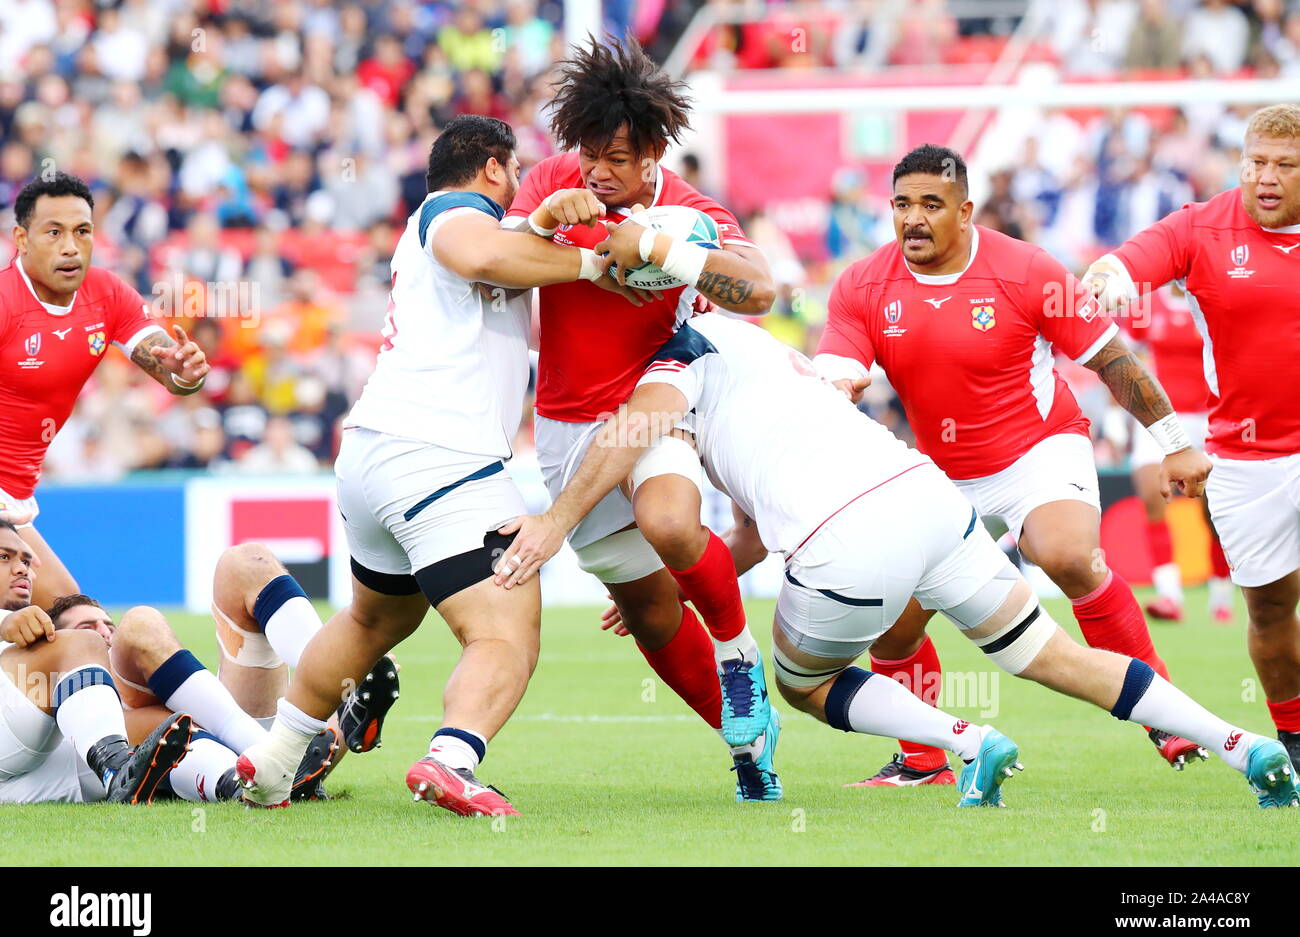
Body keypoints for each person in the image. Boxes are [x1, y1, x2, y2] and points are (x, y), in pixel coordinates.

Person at [494, 313, 1300, 809]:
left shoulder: (678, 357)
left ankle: (966, 741)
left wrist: (554, 522)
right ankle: (1242, 745)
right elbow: (743, 528)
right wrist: (679, 577)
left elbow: (627, 434)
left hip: (847, 537)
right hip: (927, 496)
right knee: (1053, 656)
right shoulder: (769, 351)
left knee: (802, 684)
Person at [237, 115, 619, 816]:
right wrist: (597, 263)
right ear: (493, 167)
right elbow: (482, 258)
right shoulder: (454, 209)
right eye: (514, 170)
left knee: (371, 624)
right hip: (440, 455)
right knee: (504, 631)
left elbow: (507, 257)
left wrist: (555, 234)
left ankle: (273, 761)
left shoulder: (479, 230)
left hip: (375, 455)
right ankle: (453, 758)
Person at [812, 144, 1213, 786]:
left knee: (1067, 556)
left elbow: (1111, 360)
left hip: (1038, 450)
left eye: (931, 205)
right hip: (941, 476)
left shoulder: (1027, 270)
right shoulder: (862, 283)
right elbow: (835, 369)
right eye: (902, 205)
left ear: (965, 211)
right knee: (892, 625)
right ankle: (922, 763)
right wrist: (831, 386)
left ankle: (1164, 713)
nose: (913, 219)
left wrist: (1174, 440)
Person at [501, 36, 783, 800]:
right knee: (654, 615)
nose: (597, 171)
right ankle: (746, 750)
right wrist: (541, 225)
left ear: (656, 151)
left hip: (655, 400)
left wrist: (659, 247)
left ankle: (738, 661)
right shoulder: (555, 183)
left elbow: (761, 292)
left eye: (617, 158)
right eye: (588, 153)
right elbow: (492, 262)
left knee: (669, 522)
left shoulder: (691, 213)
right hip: (564, 425)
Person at [1083, 103, 1300, 766]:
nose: (1266, 176)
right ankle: (1293, 741)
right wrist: (1107, 280)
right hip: (1247, 456)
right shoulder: (1206, 227)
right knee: (1268, 611)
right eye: (1255, 161)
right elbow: (1128, 263)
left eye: (1285, 165)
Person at [0, 537, 397, 804]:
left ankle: (343, 684)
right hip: (257, 760)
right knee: (139, 624)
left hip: (265, 737)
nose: (104, 635)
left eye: (107, 626)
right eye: (87, 631)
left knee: (244, 561)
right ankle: (282, 753)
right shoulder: (57, 707)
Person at [1, 171, 210, 608]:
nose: (70, 246)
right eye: (53, 232)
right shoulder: (5, 301)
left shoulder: (106, 293)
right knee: (73, 623)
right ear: (21, 238)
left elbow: (171, 371)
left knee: (75, 624)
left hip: (17, 498)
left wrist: (187, 373)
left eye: (82, 231)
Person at [0, 520, 191, 805]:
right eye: (4, 557)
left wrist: (21, 515)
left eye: (27, 560)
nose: (21, 568)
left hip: (18, 775)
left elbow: (62, 592)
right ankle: (116, 770)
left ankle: (238, 782)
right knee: (83, 642)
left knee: (157, 727)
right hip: (14, 744)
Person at [1122, 282, 1234, 623]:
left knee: (1213, 513)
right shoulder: (1147, 304)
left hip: (1208, 418)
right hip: (1159, 417)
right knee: (1150, 492)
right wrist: (1118, 419)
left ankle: (1221, 598)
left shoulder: (1214, 299)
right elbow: (1120, 358)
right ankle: (1170, 596)